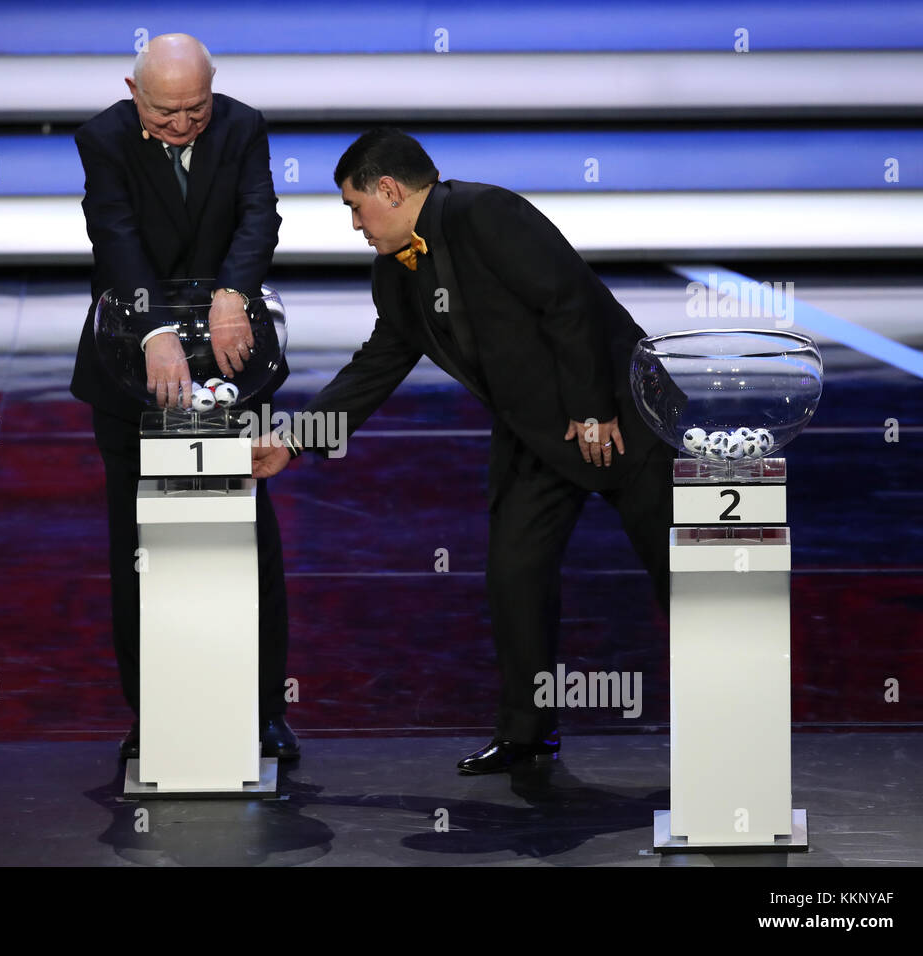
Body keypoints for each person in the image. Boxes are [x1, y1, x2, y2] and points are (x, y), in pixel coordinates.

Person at [252, 128, 674, 773]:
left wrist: (593, 411)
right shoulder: (393, 274)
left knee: (682, 577)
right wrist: (295, 441)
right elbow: (377, 366)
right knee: (515, 577)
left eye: (354, 208)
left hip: (623, 418)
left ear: (388, 190)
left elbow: (567, 303)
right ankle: (528, 732)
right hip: (534, 435)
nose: (357, 226)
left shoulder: (486, 212)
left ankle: (727, 724)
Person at [71, 33, 298, 760]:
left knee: (247, 538)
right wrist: (154, 328)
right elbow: (115, 236)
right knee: (138, 546)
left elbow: (260, 217)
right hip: (131, 358)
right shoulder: (103, 138)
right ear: (135, 93)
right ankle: (155, 708)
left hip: (233, 357)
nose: (180, 126)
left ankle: (263, 710)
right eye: (166, 113)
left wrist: (233, 292)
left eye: (194, 110)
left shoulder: (243, 126)